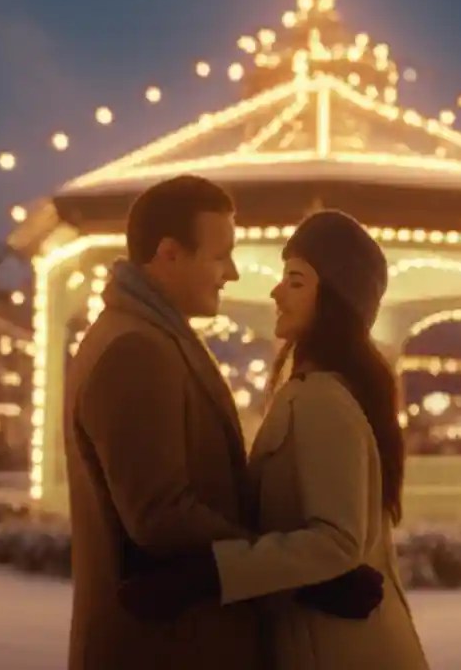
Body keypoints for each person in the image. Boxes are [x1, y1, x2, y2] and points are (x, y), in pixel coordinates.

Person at [64, 177, 382, 670]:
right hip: (166, 648)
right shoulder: (135, 349)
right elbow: (161, 515)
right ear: (169, 255)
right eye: (220, 256)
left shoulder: (151, 339)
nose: (232, 273)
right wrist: (299, 572)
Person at [120, 210, 430, 669]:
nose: (276, 291)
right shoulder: (320, 391)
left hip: (336, 651)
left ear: (335, 302)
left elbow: (337, 540)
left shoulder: (321, 398)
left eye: (296, 281)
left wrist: (210, 573)